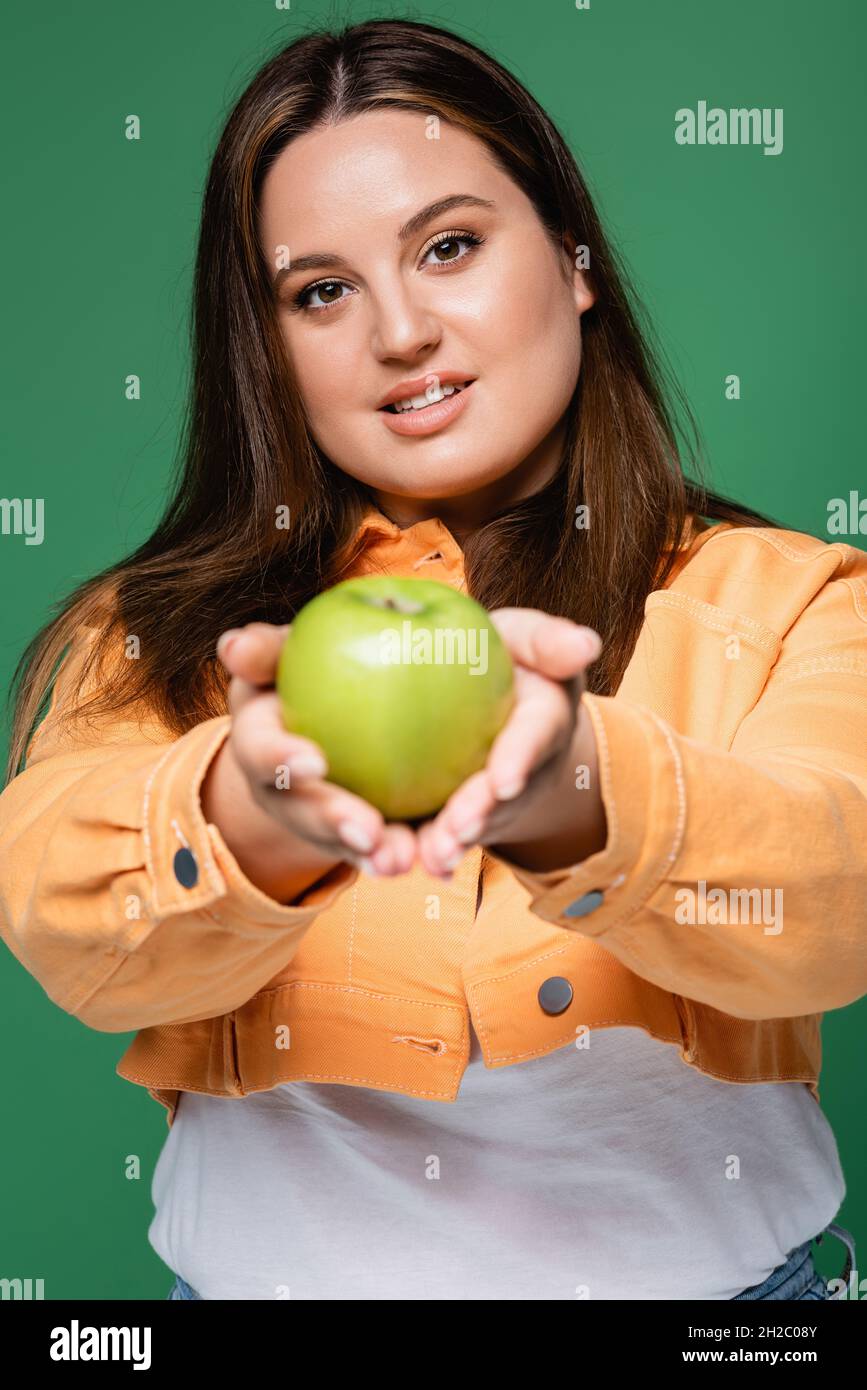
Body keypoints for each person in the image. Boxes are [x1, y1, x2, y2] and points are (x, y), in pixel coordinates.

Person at [1, 19, 863, 1301]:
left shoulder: (790, 598)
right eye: (321, 291)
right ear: (268, 349)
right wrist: (257, 807)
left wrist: (577, 796)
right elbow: (60, 912)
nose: (400, 331)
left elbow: (837, 893)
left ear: (573, 262)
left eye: (449, 246)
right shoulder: (159, 635)